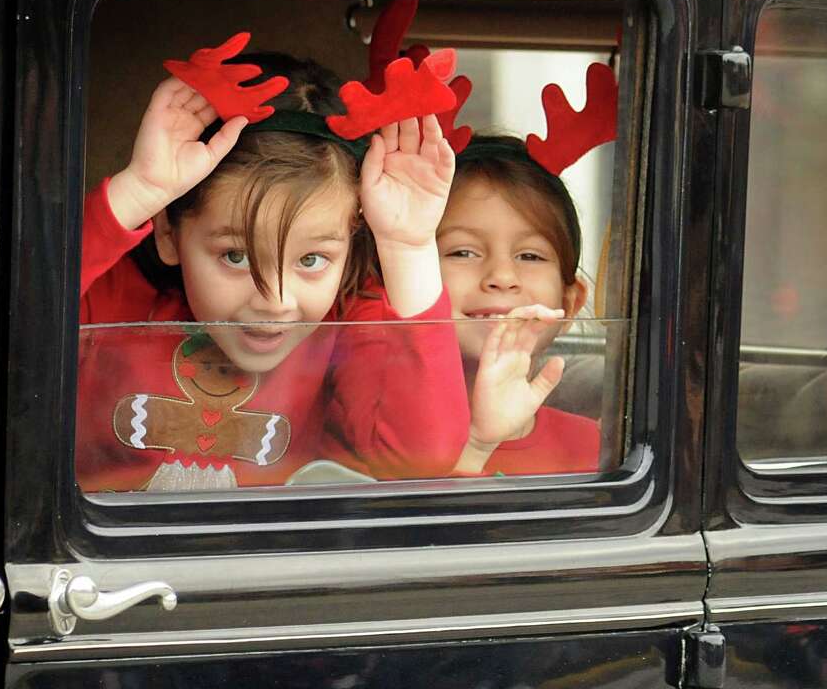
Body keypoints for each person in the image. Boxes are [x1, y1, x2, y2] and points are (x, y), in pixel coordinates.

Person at [76, 44, 470, 491]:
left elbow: (422, 458)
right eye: (236, 256)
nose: (275, 300)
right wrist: (139, 191)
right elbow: (17, 321)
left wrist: (407, 246)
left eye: (311, 260)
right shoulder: (110, 297)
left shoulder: (350, 324)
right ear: (169, 232)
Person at [437, 135, 600, 476]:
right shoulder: (373, 440)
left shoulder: (596, 450)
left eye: (530, 256)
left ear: (570, 303)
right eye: (463, 252)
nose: (501, 277)